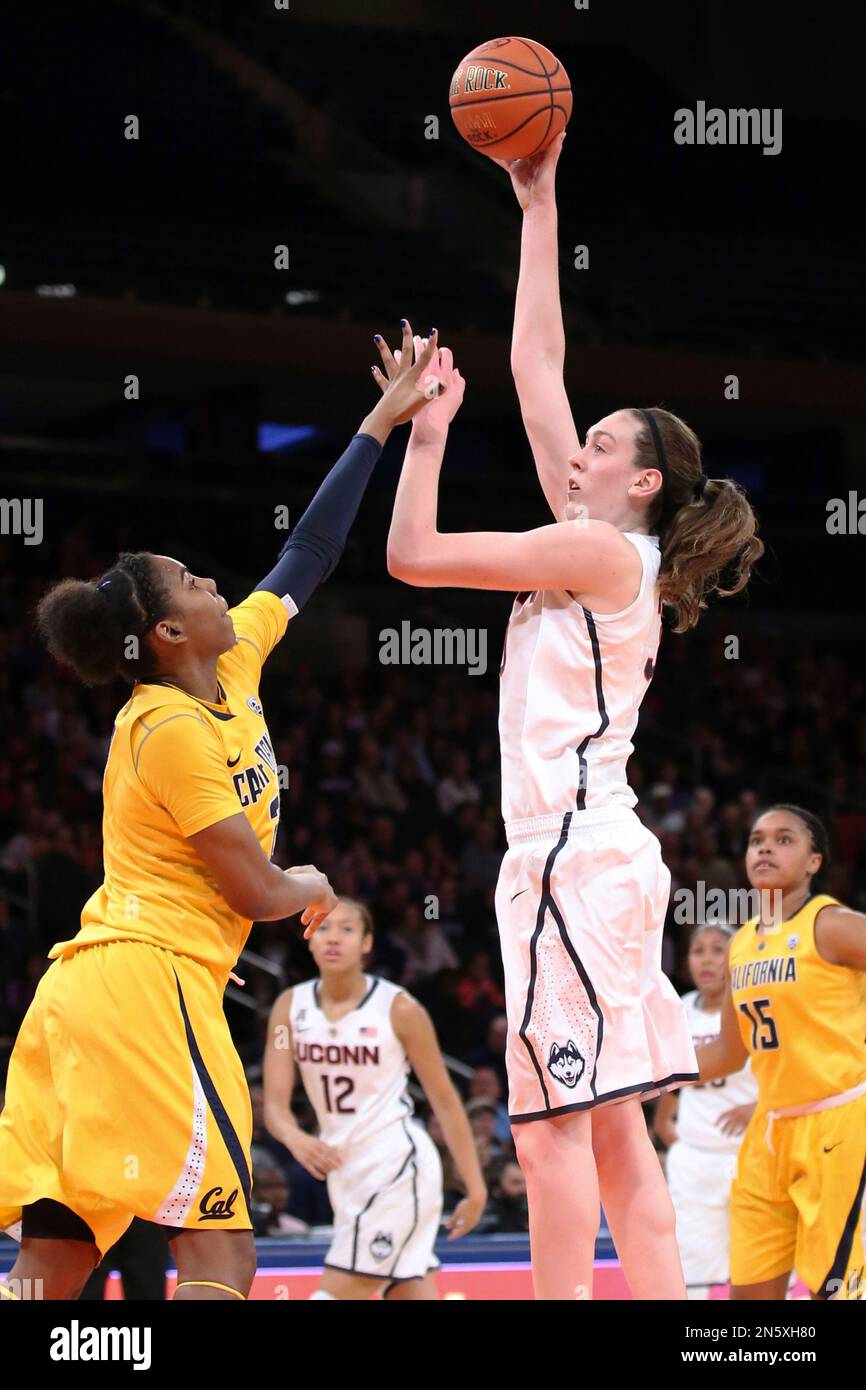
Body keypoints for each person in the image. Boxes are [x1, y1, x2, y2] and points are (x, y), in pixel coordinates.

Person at [379, 135, 763, 1300]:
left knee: (547, 1134)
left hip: (567, 860)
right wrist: (537, 200)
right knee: (604, 1138)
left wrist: (428, 437)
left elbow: (411, 555)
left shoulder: (597, 546)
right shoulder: (609, 542)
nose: (575, 446)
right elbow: (534, 360)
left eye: (599, 445)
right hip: (595, 859)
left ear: (639, 479)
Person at [0, 330, 443, 1303]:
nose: (215, 586)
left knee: (58, 1256)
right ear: (165, 631)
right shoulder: (162, 725)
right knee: (219, 1251)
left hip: (98, 992)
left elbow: (309, 550)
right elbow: (254, 886)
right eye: (195, 583)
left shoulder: (230, 663)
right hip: (150, 983)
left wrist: (379, 420)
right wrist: (316, 886)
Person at [263, 897, 487, 1300]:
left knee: (334, 1292)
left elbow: (445, 1100)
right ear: (309, 940)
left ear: (367, 943)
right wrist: (297, 1140)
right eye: (324, 928)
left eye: (347, 929)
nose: (334, 938)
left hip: (398, 1166)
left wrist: (475, 1188)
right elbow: (276, 1106)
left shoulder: (400, 1009)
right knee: (409, 1291)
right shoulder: (289, 1007)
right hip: (344, 1172)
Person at [695, 805, 866, 1301]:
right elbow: (729, 1051)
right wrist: (646, 1070)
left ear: (814, 862)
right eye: (756, 840)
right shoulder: (742, 943)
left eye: (784, 839)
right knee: (749, 1301)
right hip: (769, 1133)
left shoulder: (829, 924)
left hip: (836, 1127)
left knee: (832, 1292)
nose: (765, 848)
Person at [653, 923, 757, 1297]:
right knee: (690, 1268)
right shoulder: (679, 1009)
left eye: (718, 950)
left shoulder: (757, 1004)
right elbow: (672, 1075)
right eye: (698, 951)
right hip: (695, 1157)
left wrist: (759, 1105)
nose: (707, 960)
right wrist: (664, 1122)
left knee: (757, 1266)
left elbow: (791, 1067)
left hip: (752, 1153)